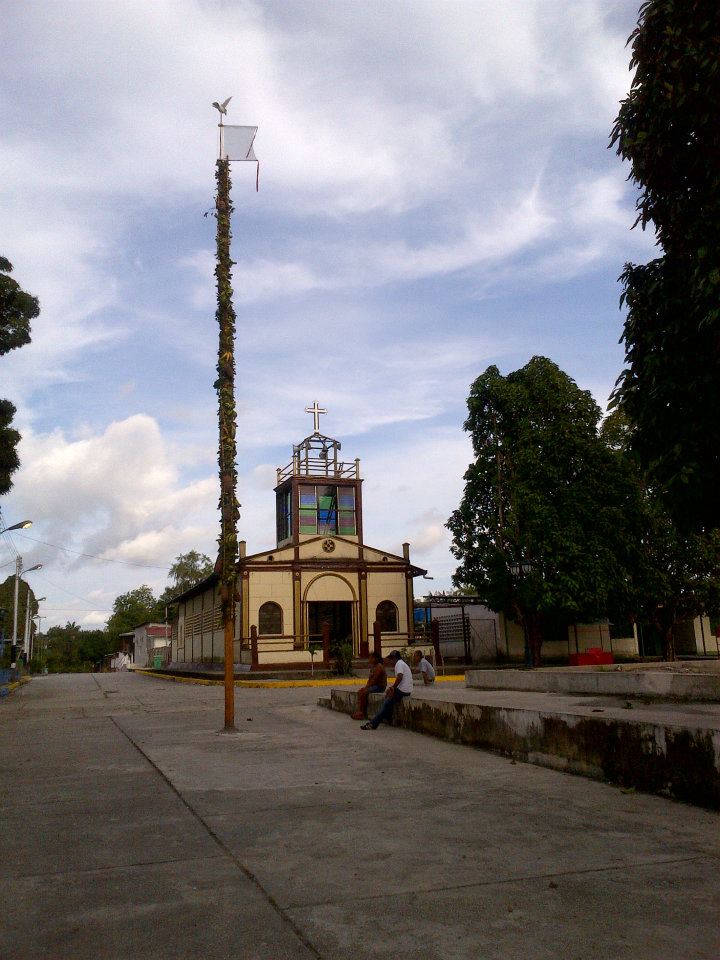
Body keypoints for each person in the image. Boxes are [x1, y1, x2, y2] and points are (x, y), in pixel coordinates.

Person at [361, 651, 412, 730]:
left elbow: (400, 677)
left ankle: (373, 724)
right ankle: (388, 717)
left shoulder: (399, 664)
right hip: (406, 689)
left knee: (386, 703)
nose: (390, 662)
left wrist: (393, 688)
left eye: (391, 659)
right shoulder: (402, 663)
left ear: (394, 659)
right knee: (388, 697)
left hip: (403, 690)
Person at [351, 651, 387, 720]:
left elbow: (374, 680)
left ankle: (362, 713)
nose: (369, 659)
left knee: (363, 692)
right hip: (374, 686)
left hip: (380, 687)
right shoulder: (373, 667)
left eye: (371, 658)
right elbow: (370, 680)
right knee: (360, 691)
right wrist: (366, 687)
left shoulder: (379, 667)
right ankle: (360, 711)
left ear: (375, 659)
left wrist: (367, 688)